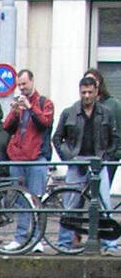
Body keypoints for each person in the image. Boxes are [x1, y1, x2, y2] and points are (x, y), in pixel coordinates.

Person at [52, 74, 120, 251]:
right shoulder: (69, 112)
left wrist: (106, 157)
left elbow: (115, 138)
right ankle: (64, 243)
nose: (87, 96)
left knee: (105, 204)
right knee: (70, 206)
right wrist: (68, 158)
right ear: (79, 92)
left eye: (90, 92)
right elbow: (57, 138)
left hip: (98, 163)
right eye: (84, 92)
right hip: (76, 164)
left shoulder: (106, 112)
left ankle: (110, 245)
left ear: (97, 92)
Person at [3, 68, 54, 244]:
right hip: (18, 158)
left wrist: (31, 108)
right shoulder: (19, 104)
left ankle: (37, 239)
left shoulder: (44, 102)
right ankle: (20, 238)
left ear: (32, 82)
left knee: (36, 199)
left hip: (36, 158)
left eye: (24, 84)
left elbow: (44, 123)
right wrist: (15, 112)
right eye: (19, 85)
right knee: (21, 199)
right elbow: (7, 127)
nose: (22, 88)